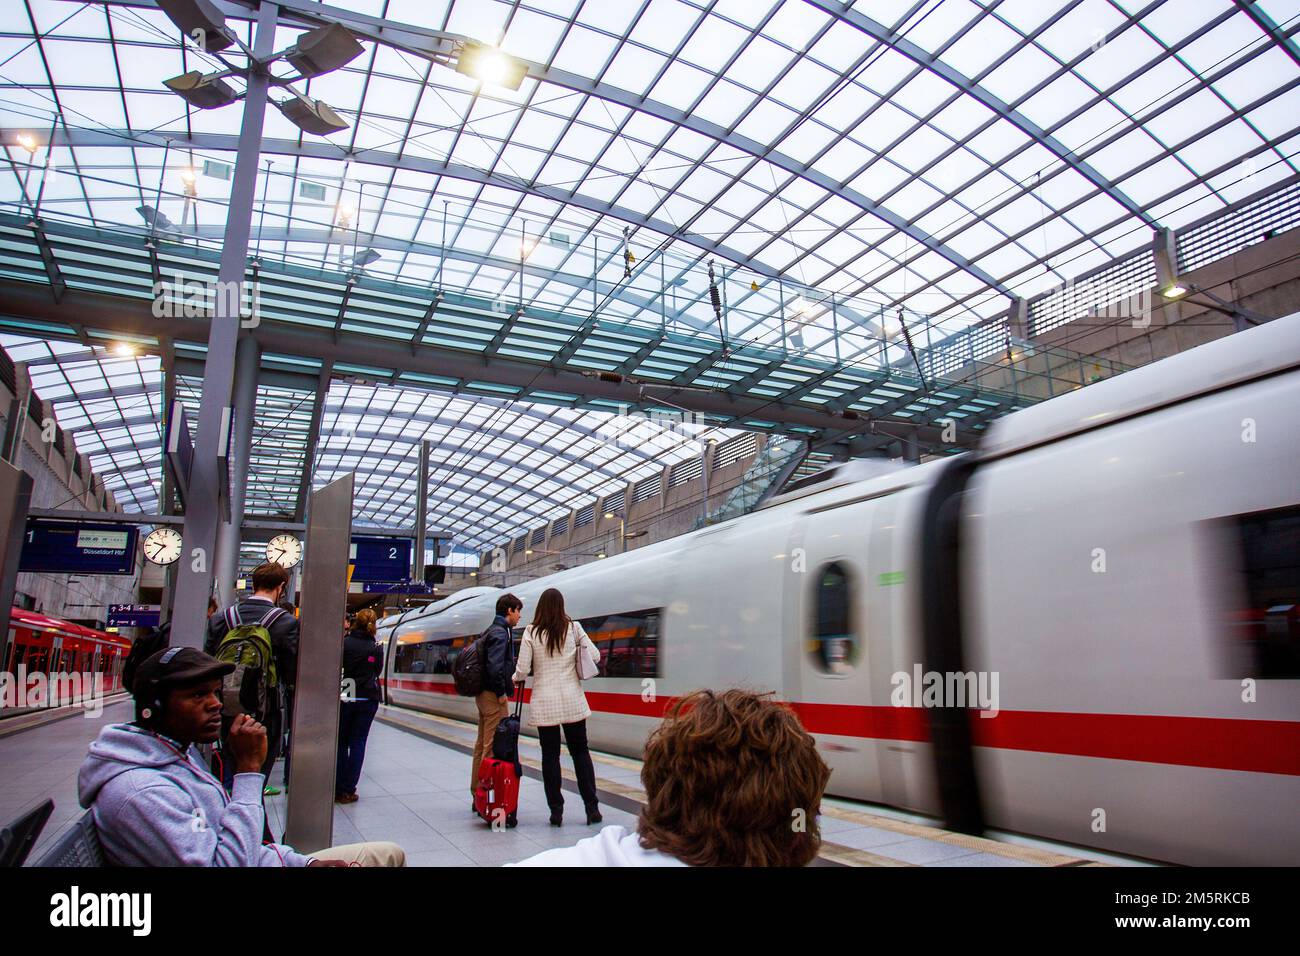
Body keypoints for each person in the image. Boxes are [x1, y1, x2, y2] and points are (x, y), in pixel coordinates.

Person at [78, 646, 405, 867]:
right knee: (388, 856)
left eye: (215, 693)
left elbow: (242, 848)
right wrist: (248, 772)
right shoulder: (142, 793)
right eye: (197, 695)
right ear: (155, 706)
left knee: (390, 854)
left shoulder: (177, 756)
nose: (216, 704)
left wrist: (305, 863)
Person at [511, 689, 831, 866]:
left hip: (546, 712)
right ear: (797, 837)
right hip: (573, 711)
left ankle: (558, 808)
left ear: (660, 789)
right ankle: (588, 804)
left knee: (550, 757)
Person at [510, 587, 602, 827]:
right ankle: (592, 808)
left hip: (545, 702)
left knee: (550, 756)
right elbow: (596, 656)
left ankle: (556, 811)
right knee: (580, 752)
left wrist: (516, 677)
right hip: (572, 700)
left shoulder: (531, 631)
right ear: (562, 606)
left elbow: (522, 668)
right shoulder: (574, 628)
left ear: (540, 607)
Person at [205, 563, 298, 794]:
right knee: (254, 779)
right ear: (282, 587)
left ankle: (229, 808)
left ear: (253, 584)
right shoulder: (286, 623)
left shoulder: (221, 619)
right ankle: (242, 821)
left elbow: (206, 663)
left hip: (224, 710)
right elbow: (292, 672)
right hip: (266, 713)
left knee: (230, 768)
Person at [470, 593, 522, 808]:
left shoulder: (490, 630)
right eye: (518, 611)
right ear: (509, 610)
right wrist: (501, 692)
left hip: (483, 695)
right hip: (493, 696)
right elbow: (495, 667)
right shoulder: (501, 633)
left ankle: (476, 793)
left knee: (481, 745)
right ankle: (485, 796)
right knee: (492, 747)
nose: (519, 616)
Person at [122, 597, 217, 694]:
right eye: (209, 612)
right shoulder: (179, 633)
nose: (209, 616)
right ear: (201, 608)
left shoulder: (171, 627)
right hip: (158, 688)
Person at [336, 608, 383, 803]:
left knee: (341, 741)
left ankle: (337, 785)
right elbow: (377, 670)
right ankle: (349, 789)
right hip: (368, 696)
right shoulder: (376, 647)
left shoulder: (344, 643)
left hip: (347, 692)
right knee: (359, 742)